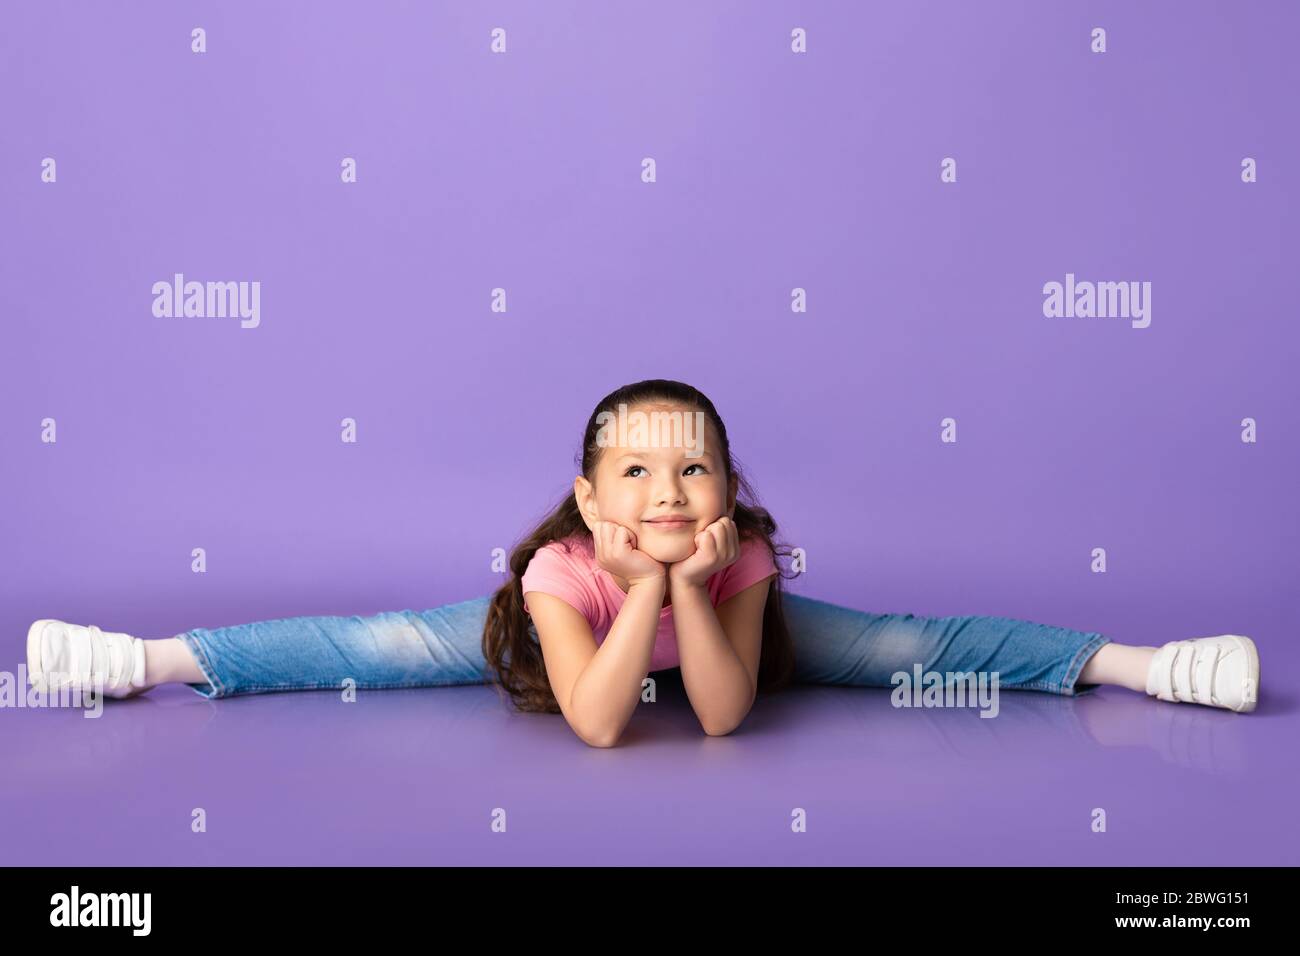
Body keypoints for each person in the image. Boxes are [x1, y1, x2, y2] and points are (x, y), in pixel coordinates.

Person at [25, 379, 1261, 747]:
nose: (667, 493)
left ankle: (1140, 664)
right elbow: (605, 723)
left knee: (906, 646)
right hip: (567, 642)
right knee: (378, 644)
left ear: (728, 489)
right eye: (636, 471)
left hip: (726, 635)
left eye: (693, 471)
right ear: (586, 493)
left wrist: (690, 584)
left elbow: (721, 715)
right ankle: (140, 657)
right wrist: (635, 591)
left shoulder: (745, 557)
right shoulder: (556, 573)